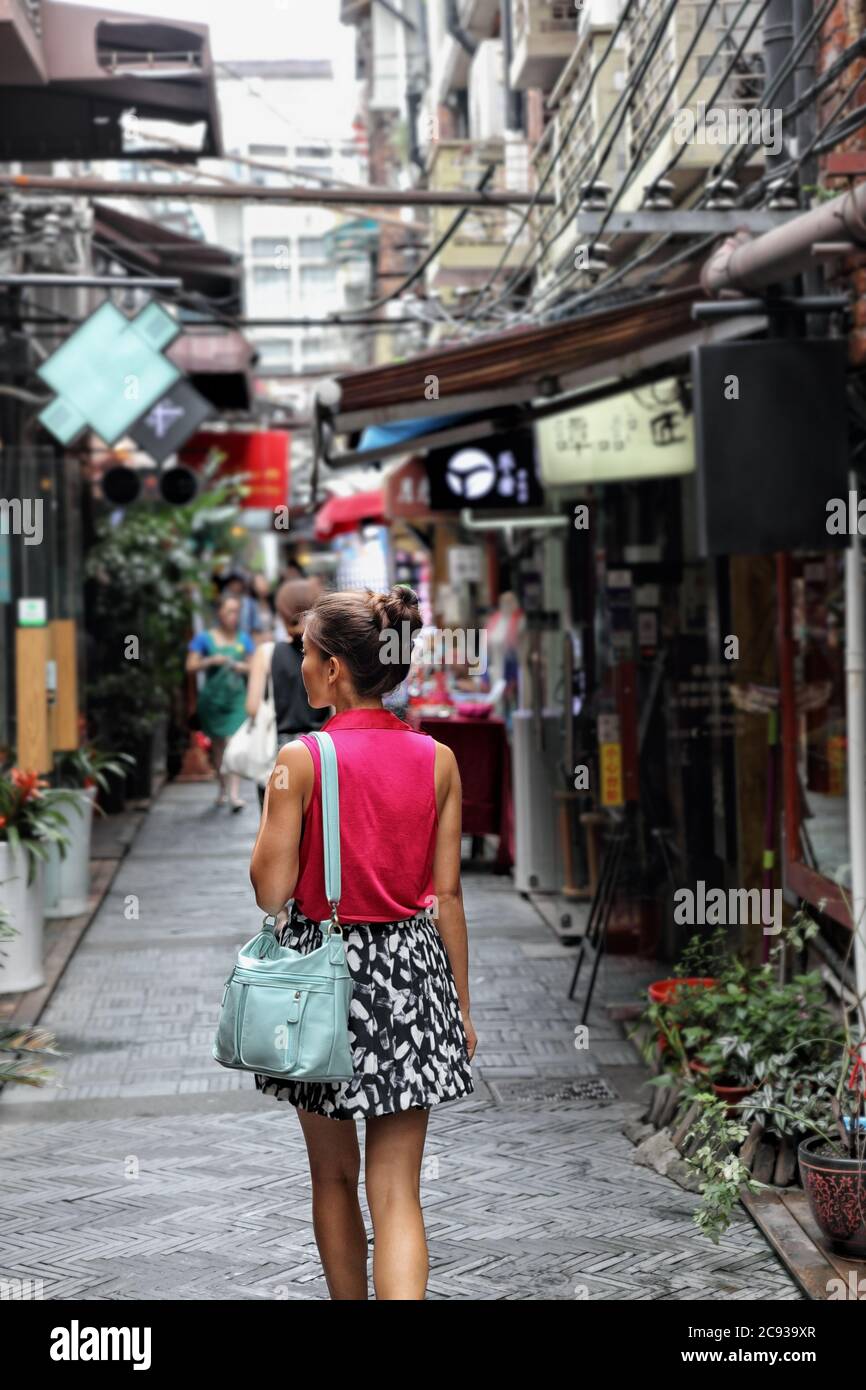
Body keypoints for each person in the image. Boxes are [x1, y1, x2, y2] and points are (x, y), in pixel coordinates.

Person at [250, 584, 477, 1301]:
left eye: (308, 656)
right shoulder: (437, 758)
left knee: (334, 1176)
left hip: (324, 979)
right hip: (415, 975)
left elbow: (269, 891)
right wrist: (461, 1009)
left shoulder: (303, 759)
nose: (304, 667)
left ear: (336, 669)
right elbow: (449, 897)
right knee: (398, 1190)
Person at [245, 578, 328, 811]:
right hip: (319, 751)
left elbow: (252, 707)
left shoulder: (266, 653)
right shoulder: (327, 652)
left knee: (277, 825)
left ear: (281, 612)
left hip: (278, 755)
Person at [186, 594, 254, 811]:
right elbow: (190, 666)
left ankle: (234, 794)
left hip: (236, 699)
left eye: (236, 611)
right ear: (219, 613)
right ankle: (222, 788)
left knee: (233, 742)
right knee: (217, 745)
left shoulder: (244, 639)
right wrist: (210, 660)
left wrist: (238, 666)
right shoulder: (205, 639)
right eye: (229, 611)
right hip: (213, 700)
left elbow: (253, 666)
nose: (233, 616)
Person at [241, 573, 276, 645]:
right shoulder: (248, 603)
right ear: (253, 587)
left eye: (265, 581)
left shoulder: (271, 601)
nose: (264, 584)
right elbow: (245, 628)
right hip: (256, 644)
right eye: (260, 582)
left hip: (271, 644)